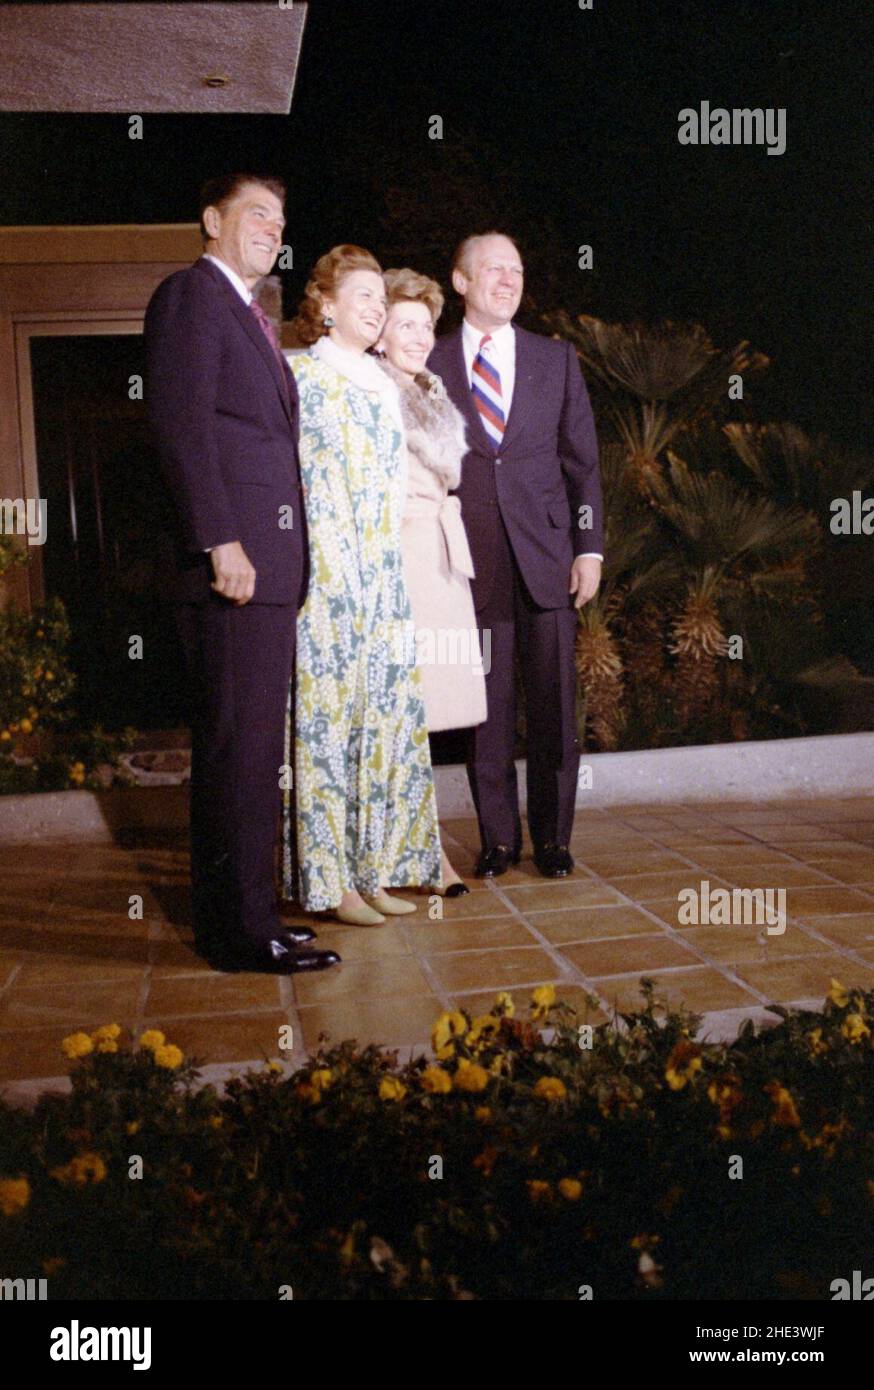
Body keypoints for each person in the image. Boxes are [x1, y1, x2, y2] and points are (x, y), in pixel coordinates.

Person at [144, 173, 339, 974]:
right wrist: (220, 540)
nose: (272, 229)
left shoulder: (248, 315)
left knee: (251, 753)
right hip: (234, 567)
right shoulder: (190, 297)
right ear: (211, 219)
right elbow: (181, 425)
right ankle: (239, 933)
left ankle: (248, 916)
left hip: (269, 568)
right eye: (257, 213)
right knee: (238, 751)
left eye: (280, 220)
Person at [428, 232, 604, 879]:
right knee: (486, 713)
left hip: (549, 559)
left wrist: (589, 548)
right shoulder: (430, 362)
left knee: (555, 709)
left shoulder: (555, 360)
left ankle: (554, 840)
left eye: (517, 270)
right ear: (460, 281)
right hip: (470, 566)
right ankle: (498, 840)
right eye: (494, 269)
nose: (509, 280)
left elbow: (583, 464)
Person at [281, 246, 442, 926]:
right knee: (329, 723)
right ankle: (331, 880)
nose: (378, 307)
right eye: (364, 296)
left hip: (382, 573)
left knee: (381, 721)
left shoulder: (384, 382)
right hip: (326, 575)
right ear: (325, 304)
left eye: (382, 296)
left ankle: (374, 870)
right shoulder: (299, 374)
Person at [374, 267, 487, 896]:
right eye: (405, 324)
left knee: (424, 716)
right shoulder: (373, 389)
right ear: (379, 330)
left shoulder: (429, 389)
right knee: (401, 711)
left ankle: (415, 848)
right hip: (402, 557)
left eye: (425, 325)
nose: (419, 337)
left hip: (440, 555)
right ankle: (418, 853)